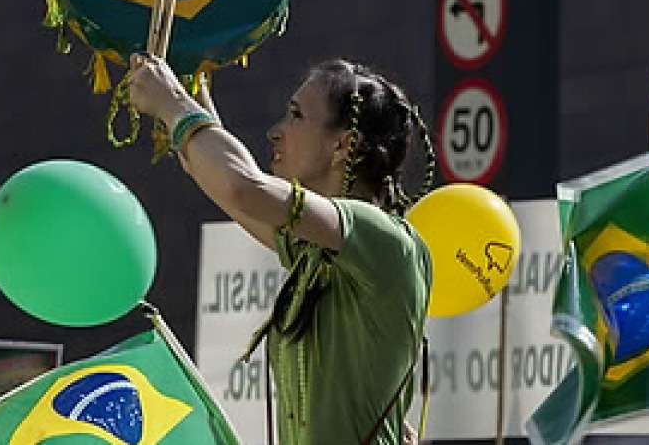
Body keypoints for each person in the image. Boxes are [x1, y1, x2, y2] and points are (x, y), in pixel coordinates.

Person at [128, 56, 434, 445]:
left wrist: (173, 104)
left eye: (295, 116)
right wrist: (189, 98)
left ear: (343, 145)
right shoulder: (316, 253)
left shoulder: (384, 238)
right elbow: (233, 190)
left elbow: (244, 187)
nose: (277, 132)